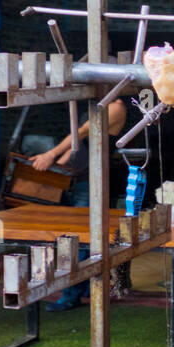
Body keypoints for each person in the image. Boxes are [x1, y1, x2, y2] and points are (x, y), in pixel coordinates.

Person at [30, 97, 126, 310]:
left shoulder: (115, 108)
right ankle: (82, 288)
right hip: (78, 178)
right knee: (80, 236)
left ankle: (70, 293)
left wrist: (50, 154)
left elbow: (81, 132)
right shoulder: (95, 105)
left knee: (77, 238)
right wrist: (56, 166)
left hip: (95, 180)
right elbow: (77, 143)